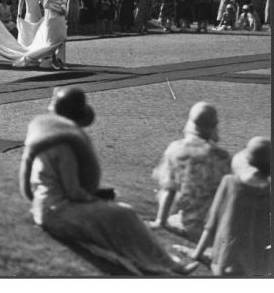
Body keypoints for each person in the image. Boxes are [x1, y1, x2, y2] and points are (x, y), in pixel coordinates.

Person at [19, 86, 197, 276]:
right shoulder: (65, 148)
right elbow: (72, 192)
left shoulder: (43, 135)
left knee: (117, 216)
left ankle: (156, 261)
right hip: (59, 212)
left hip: (47, 207)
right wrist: (94, 198)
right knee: (124, 214)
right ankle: (164, 264)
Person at [184, 137, 271, 276]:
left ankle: (214, 264)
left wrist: (196, 253)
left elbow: (211, 222)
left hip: (226, 250)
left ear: (247, 159)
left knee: (220, 258)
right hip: (257, 257)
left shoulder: (230, 182)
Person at [149, 102, 231, 242]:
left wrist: (161, 222)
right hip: (213, 229)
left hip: (186, 225)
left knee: (167, 194)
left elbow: (169, 190)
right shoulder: (223, 157)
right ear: (214, 125)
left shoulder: (176, 149)